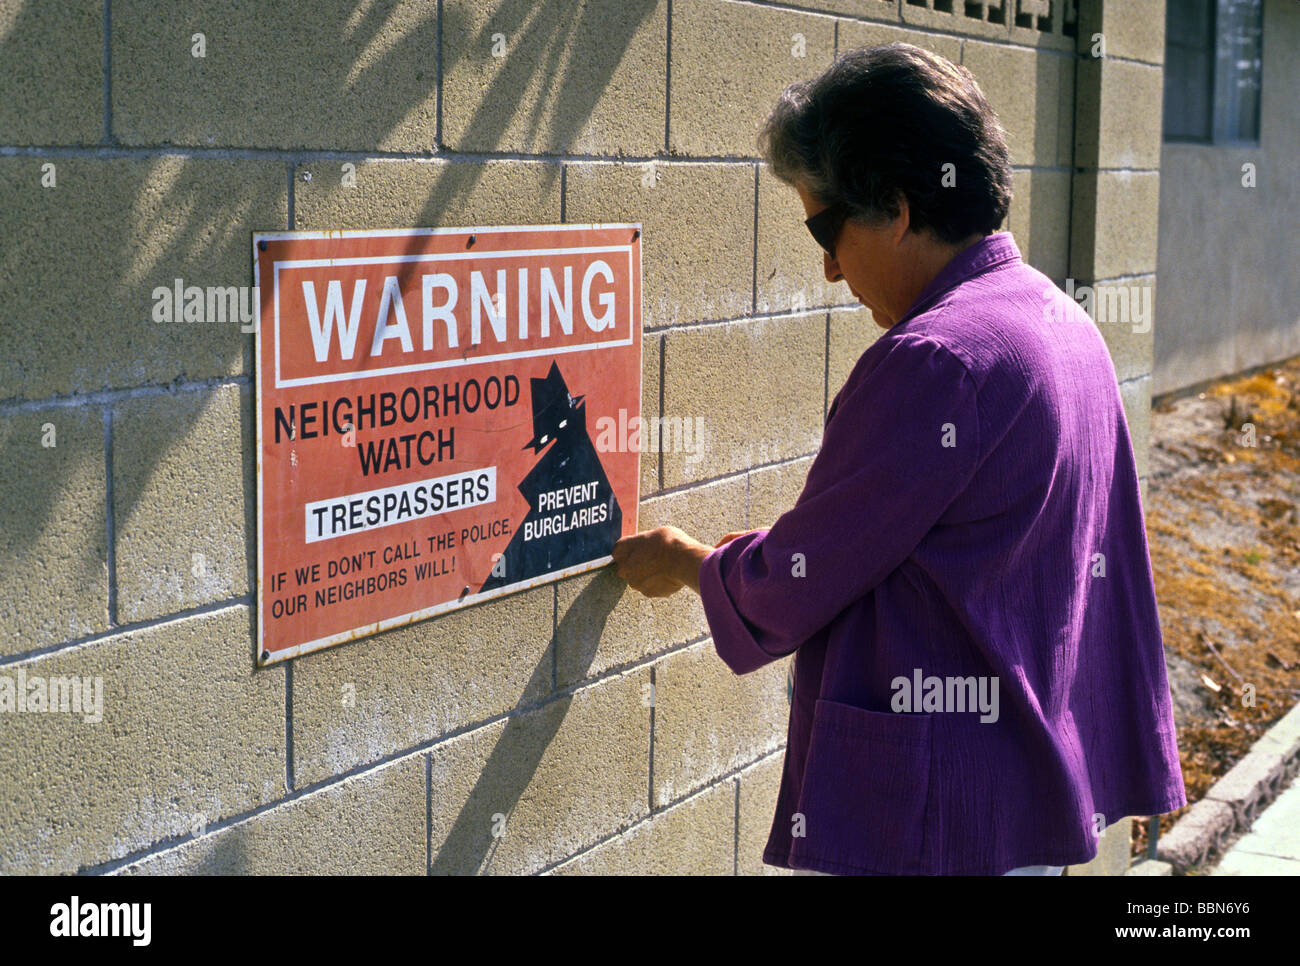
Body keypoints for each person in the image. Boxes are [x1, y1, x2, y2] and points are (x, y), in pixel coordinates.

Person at [611, 42, 1186, 876]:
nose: (830, 264)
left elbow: (797, 582)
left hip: (929, 823)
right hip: (1022, 806)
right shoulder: (1063, 324)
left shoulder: (937, 359)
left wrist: (693, 564)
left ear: (897, 205)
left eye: (825, 226)